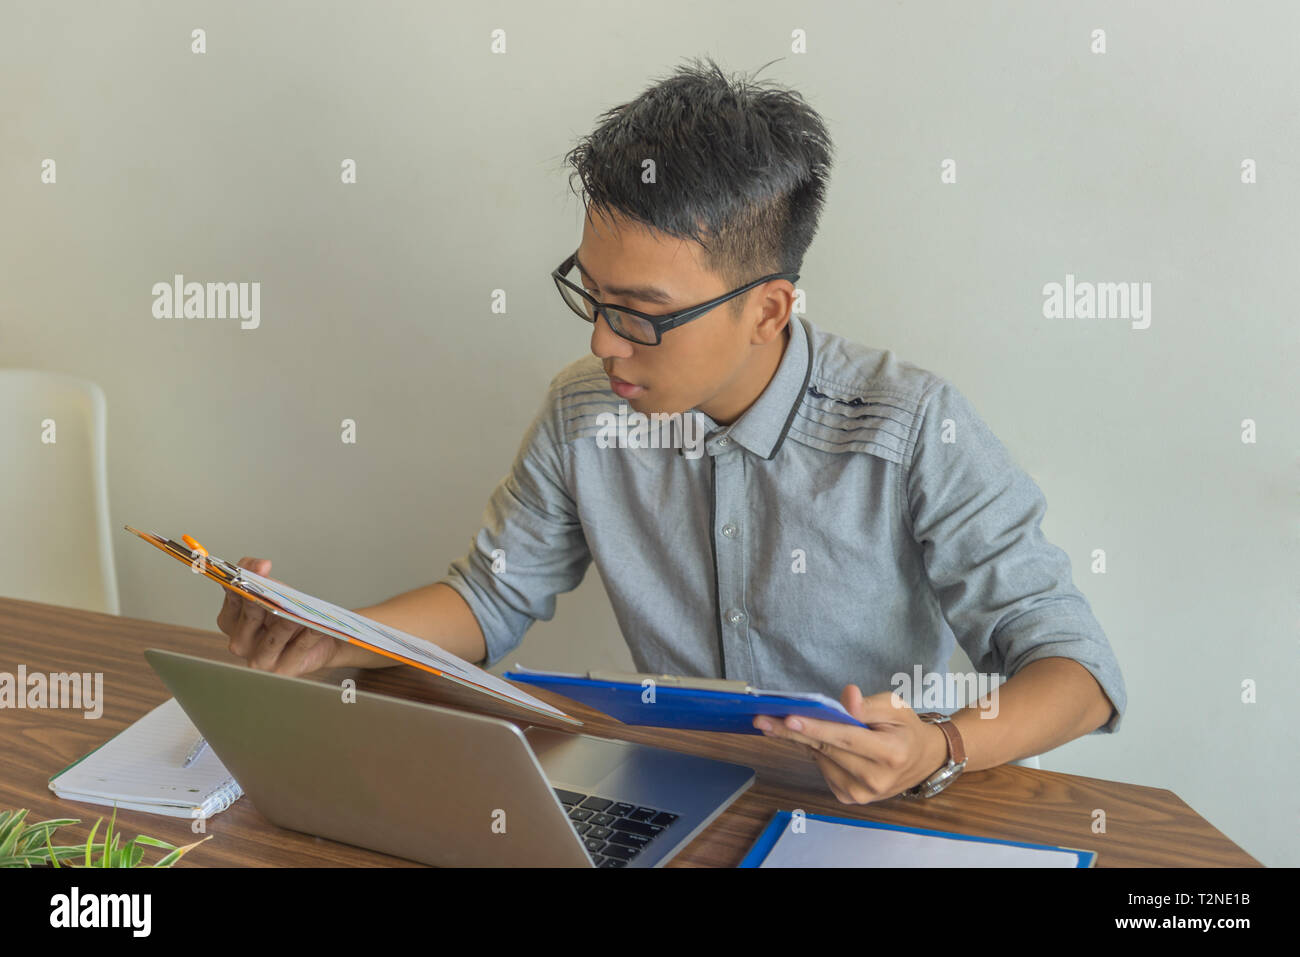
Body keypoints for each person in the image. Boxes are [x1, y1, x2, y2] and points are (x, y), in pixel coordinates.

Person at [218, 56, 1125, 805]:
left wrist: (941, 746)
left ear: (769, 309)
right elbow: (490, 599)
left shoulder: (911, 425)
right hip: (684, 793)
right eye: (593, 295)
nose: (602, 340)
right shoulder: (585, 412)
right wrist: (331, 634)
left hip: (880, 811)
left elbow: (1076, 671)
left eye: (643, 312)